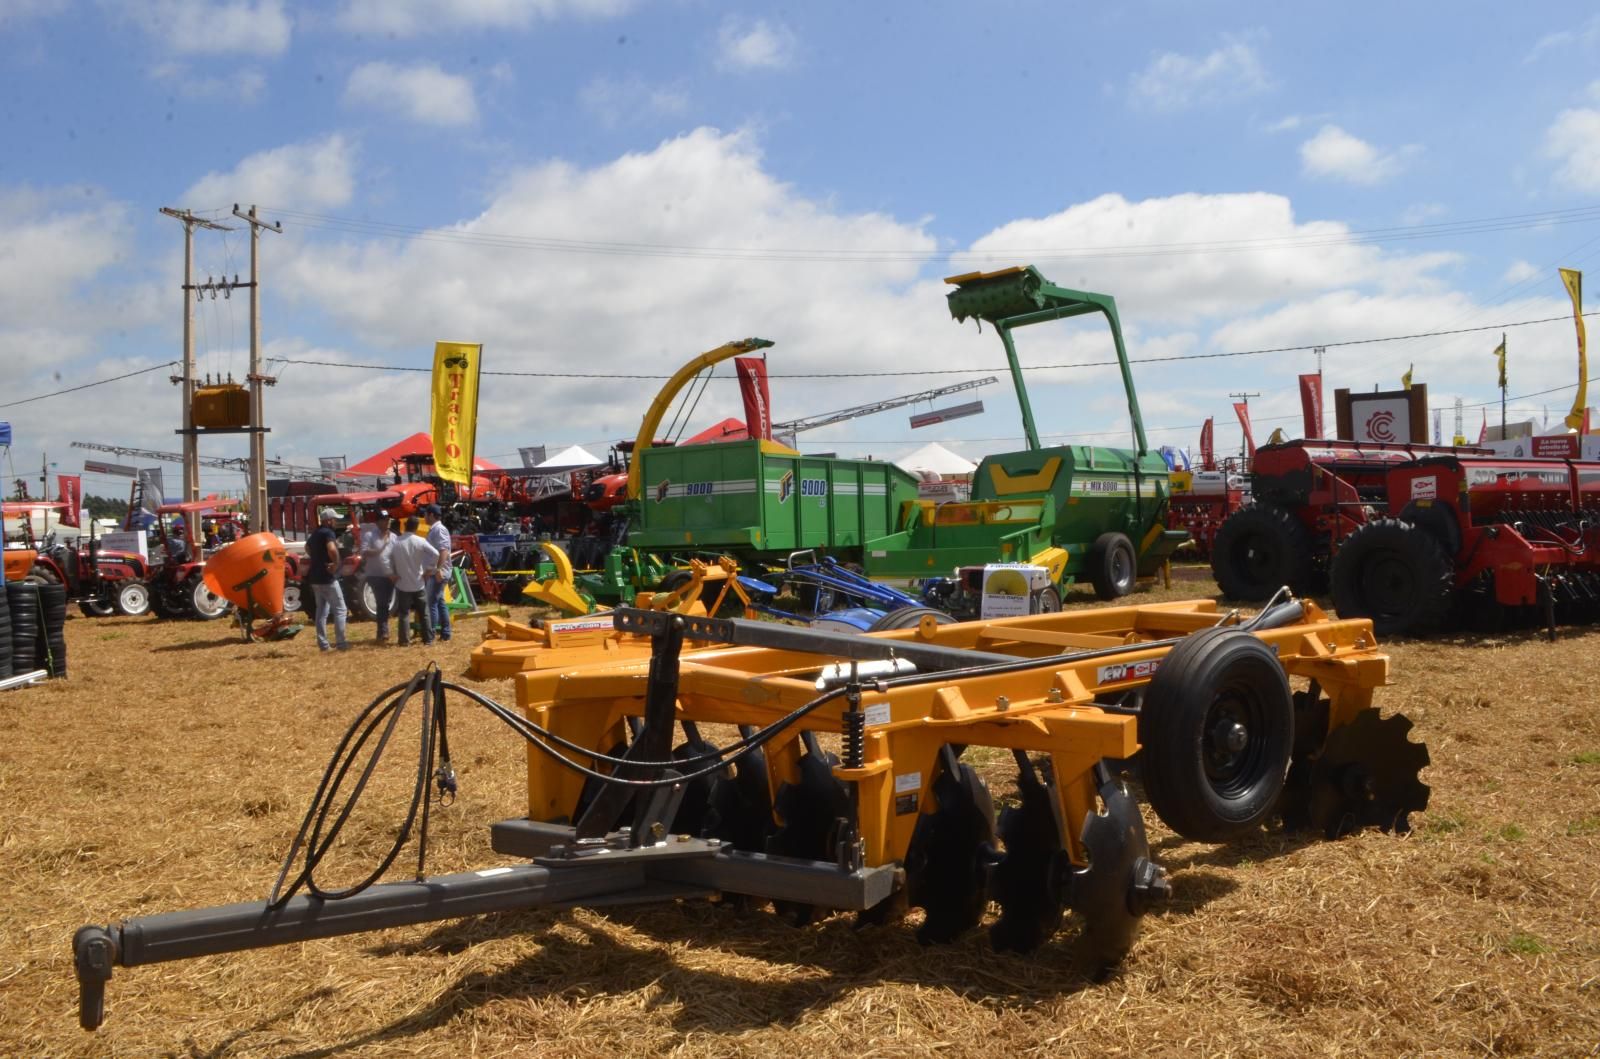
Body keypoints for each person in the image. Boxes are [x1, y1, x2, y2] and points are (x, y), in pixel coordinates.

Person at [391, 514, 440, 646]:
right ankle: (428, 639)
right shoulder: (420, 541)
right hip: (418, 582)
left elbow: (388, 559)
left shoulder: (396, 542)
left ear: (405, 526)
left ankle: (404, 641)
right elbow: (436, 554)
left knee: (404, 614)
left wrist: (392, 573)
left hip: (402, 584)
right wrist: (429, 570)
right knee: (424, 612)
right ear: (417, 527)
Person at [305, 508, 349, 652]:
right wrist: (335, 563)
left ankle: (323, 644)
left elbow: (307, 547)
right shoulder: (328, 533)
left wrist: (317, 558)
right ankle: (341, 643)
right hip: (327, 577)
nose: (336, 522)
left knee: (321, 611)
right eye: (335, 519)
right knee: (341, 610)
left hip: (315, 577)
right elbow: (331, 548)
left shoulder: (315, 533)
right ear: (329, 520)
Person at [359, 512, 397, 643]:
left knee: (385, 603)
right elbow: (364, 552)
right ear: (377, 522)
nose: (387, 522)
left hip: (390, 575)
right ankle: (384, 630)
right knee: (382, 602)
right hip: (375, 575)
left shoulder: (394, 537)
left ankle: (381, 631)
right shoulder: (369, 536)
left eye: (388, 520)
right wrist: (380, 549)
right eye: (384, 520)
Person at [423, 504, 453, 641]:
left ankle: (431, 634)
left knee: (431, 603)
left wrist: (437, 570)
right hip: (438, 571)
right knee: (439, 601)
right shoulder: (435, 530)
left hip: (438, 572)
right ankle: (446, 633)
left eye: (425, 514)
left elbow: (444, 551)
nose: (424, 517)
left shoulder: (439, 530)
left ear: (431, 515)